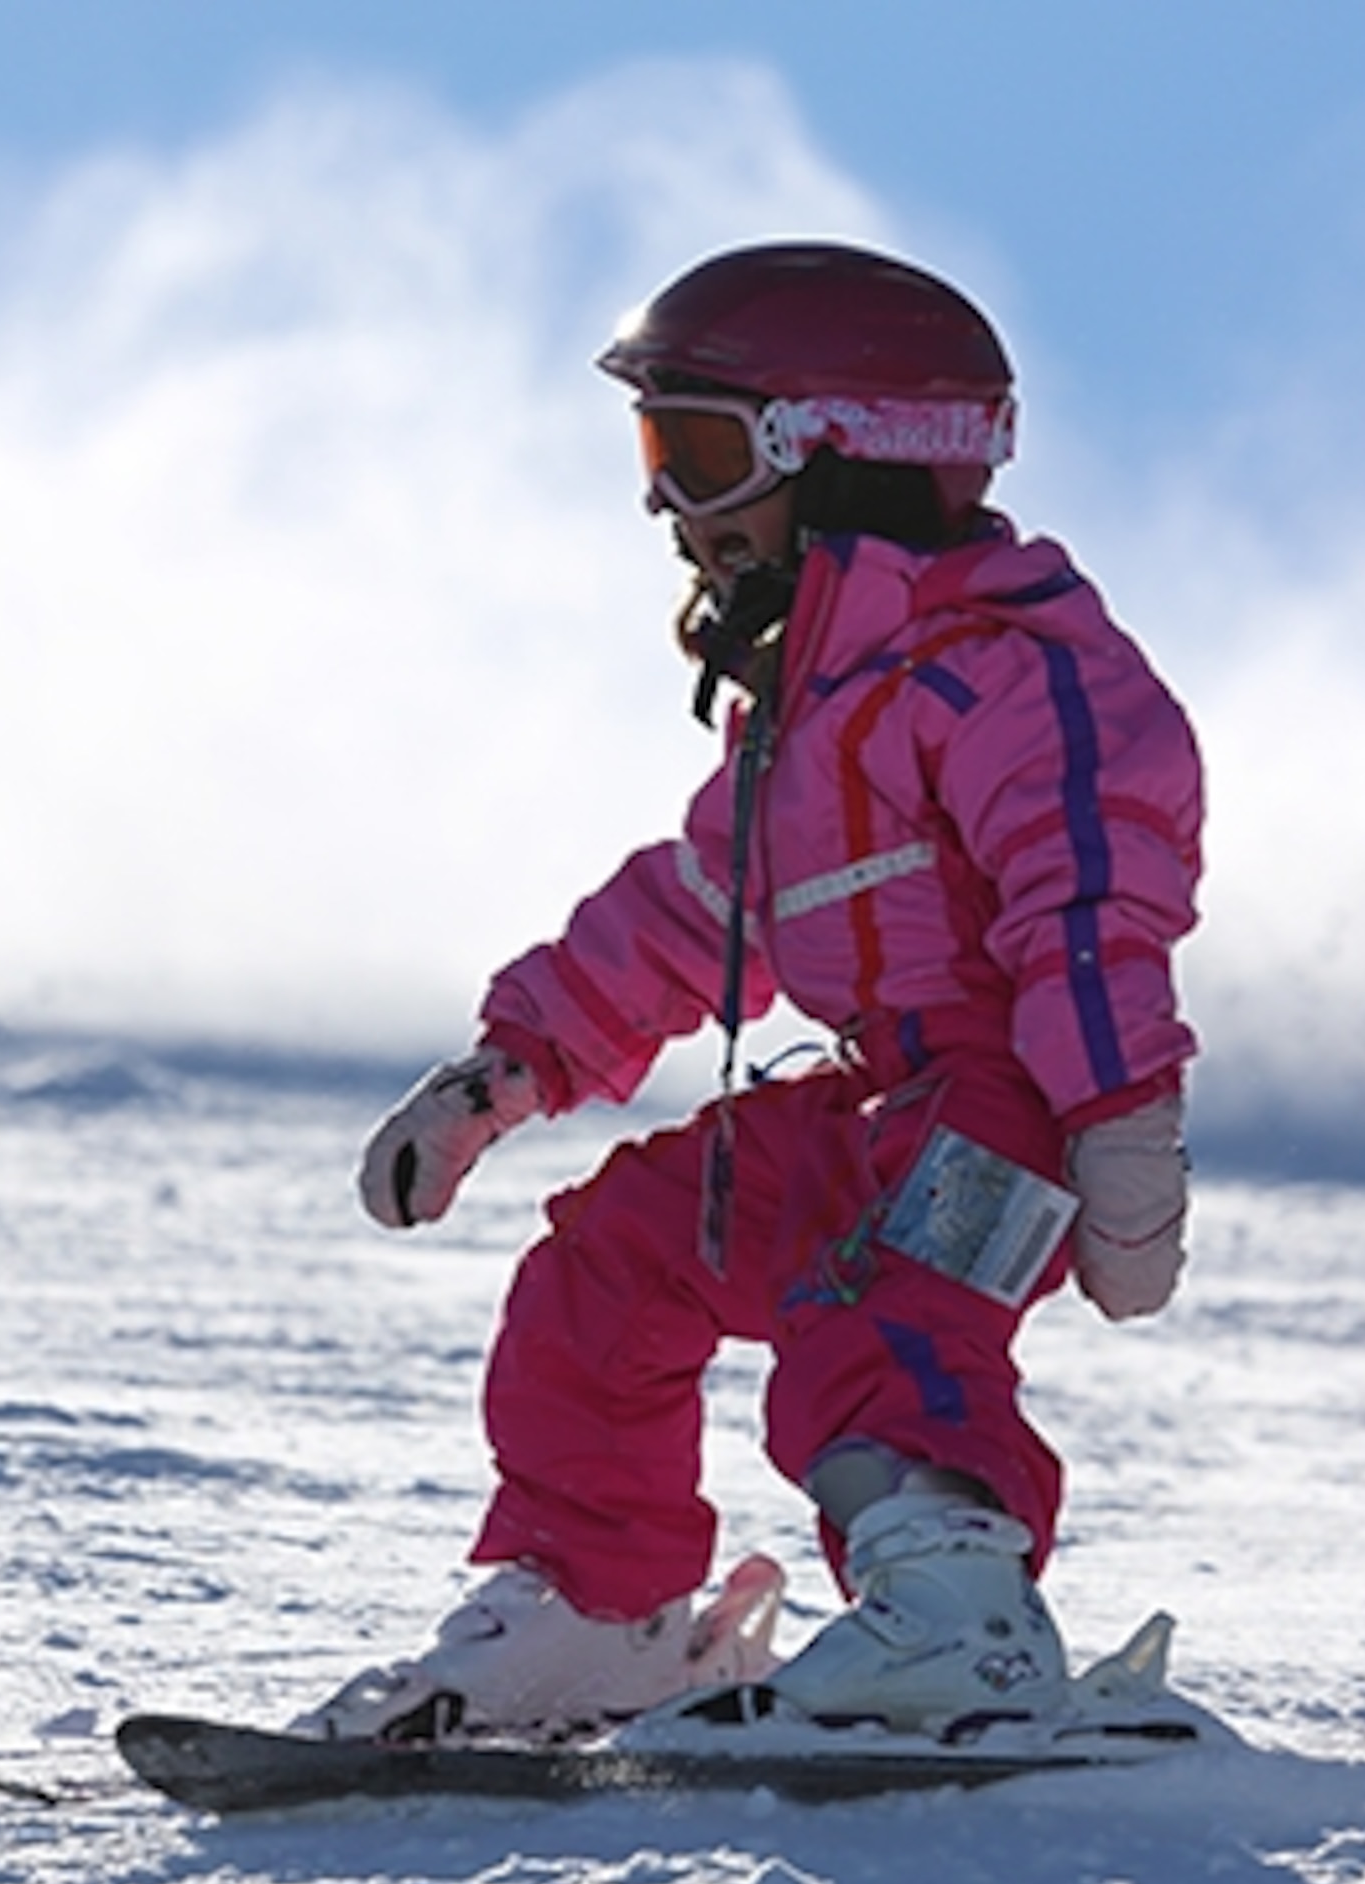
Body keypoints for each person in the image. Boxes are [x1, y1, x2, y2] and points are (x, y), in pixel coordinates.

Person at [301, 242, 1202, 1747]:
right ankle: (604, 1616)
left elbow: (1092, 898)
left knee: (880, 1314)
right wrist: (505, 1071)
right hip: (866, 1098)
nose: (671, 507)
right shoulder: (811, 710)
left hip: (1006, 1112)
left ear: (847, 458)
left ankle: (960, 1618)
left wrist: (1124, 1130)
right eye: (659, 454)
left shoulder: (1011, 677)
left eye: (705, 454)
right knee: (615, 1259)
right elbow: (696, 907)